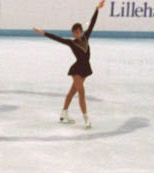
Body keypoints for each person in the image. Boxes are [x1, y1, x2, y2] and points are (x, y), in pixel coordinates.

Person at [34, 1, 106, 129]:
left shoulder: (86, 37)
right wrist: (43, 33)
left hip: (85, 68)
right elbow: (57, 38)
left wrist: (97, 9)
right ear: (73, 33)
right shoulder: (71, 43)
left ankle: (63, 113)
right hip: (77, 69)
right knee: (81, 92)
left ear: (81, 31)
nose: (76, 34)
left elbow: (93, 22)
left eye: (78, 32)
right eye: (75, 32)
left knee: (72, 92)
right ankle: (86, 118)